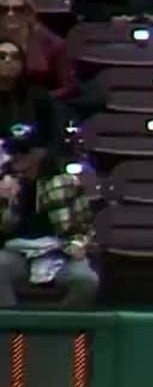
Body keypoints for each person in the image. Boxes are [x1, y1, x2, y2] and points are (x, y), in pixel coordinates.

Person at [0, 122, 97, 310]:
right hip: (17, 251)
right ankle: (10, 325)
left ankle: (62, 325)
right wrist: (5, 201)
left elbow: (84, 226)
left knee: (86, 281)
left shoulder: (65, 182)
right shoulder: (5, 182)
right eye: (14, 150)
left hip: (59, 251)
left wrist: (79, 244)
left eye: (24, 151)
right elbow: (3, 230)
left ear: (41, 152)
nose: (18, 156)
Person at [0, 0, 78, 102]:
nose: (11, 14)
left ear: (29, 12)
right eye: (4, 10)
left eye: (19, 9)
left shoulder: (52, 43)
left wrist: (41, 100)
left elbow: (68, 87)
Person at [0, 38, 64, 155]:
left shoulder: (38, 95)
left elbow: (53, 136)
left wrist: (39, 155)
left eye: (15, 57)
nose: (9, 61)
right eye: (2, 56)